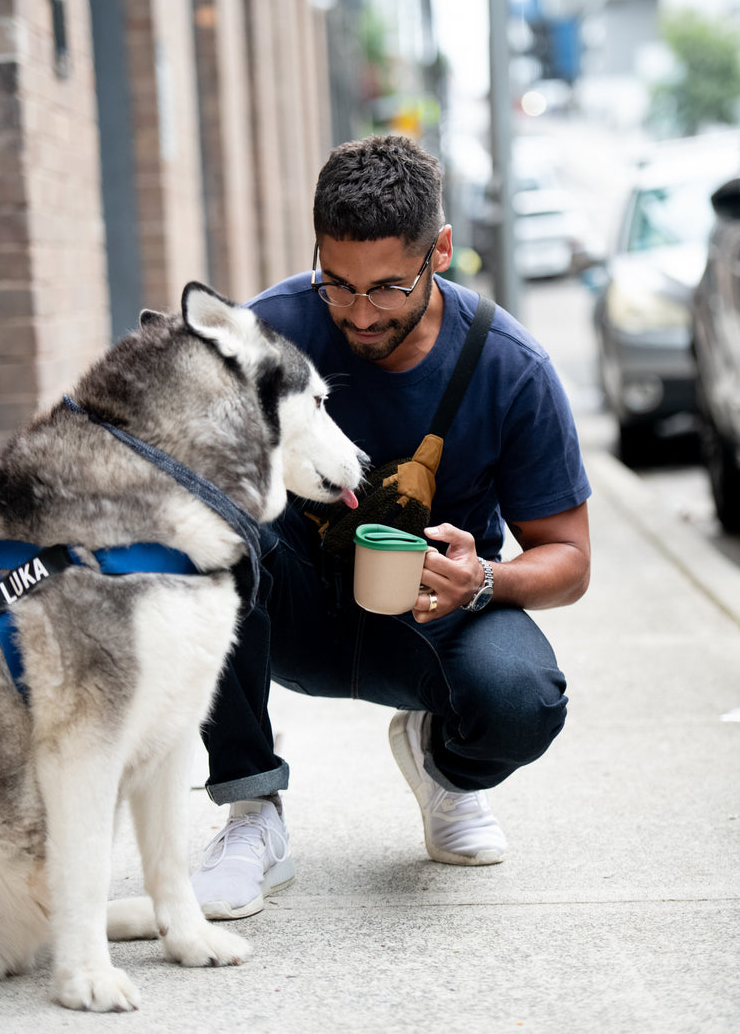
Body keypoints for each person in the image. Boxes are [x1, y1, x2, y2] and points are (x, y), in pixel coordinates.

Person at [190, 135, 591, 920]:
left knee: (524, 701)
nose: (359, 314)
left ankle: (438, 762)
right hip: (292, 612)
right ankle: (252, 814)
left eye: (385, 288)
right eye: (336, 283)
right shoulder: (267, 333)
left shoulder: (512, 367)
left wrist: (484, 579)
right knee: (205, 521)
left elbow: (570, 560)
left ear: (438, 252)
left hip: (432, 623)